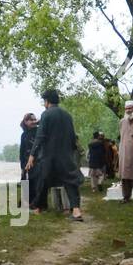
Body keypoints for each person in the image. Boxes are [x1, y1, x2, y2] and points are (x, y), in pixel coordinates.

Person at [26, 88, 84, 221]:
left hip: (50, 155)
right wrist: (70, 152)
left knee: (43, 180)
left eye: (44, 101)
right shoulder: (67, 115)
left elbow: (40, 137)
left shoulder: (46, 114)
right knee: (70, 182)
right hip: (66, 154)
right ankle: (76, 211)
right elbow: (72, 136)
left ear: (47, 101)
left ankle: (37, 207)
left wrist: (32, 155)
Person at [117, 99, 133, 203]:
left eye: (130, 108)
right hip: (123, 152)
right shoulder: (122, 122)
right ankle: (126, 197)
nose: (128, 110)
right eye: (126, 108)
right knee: (125, 176)